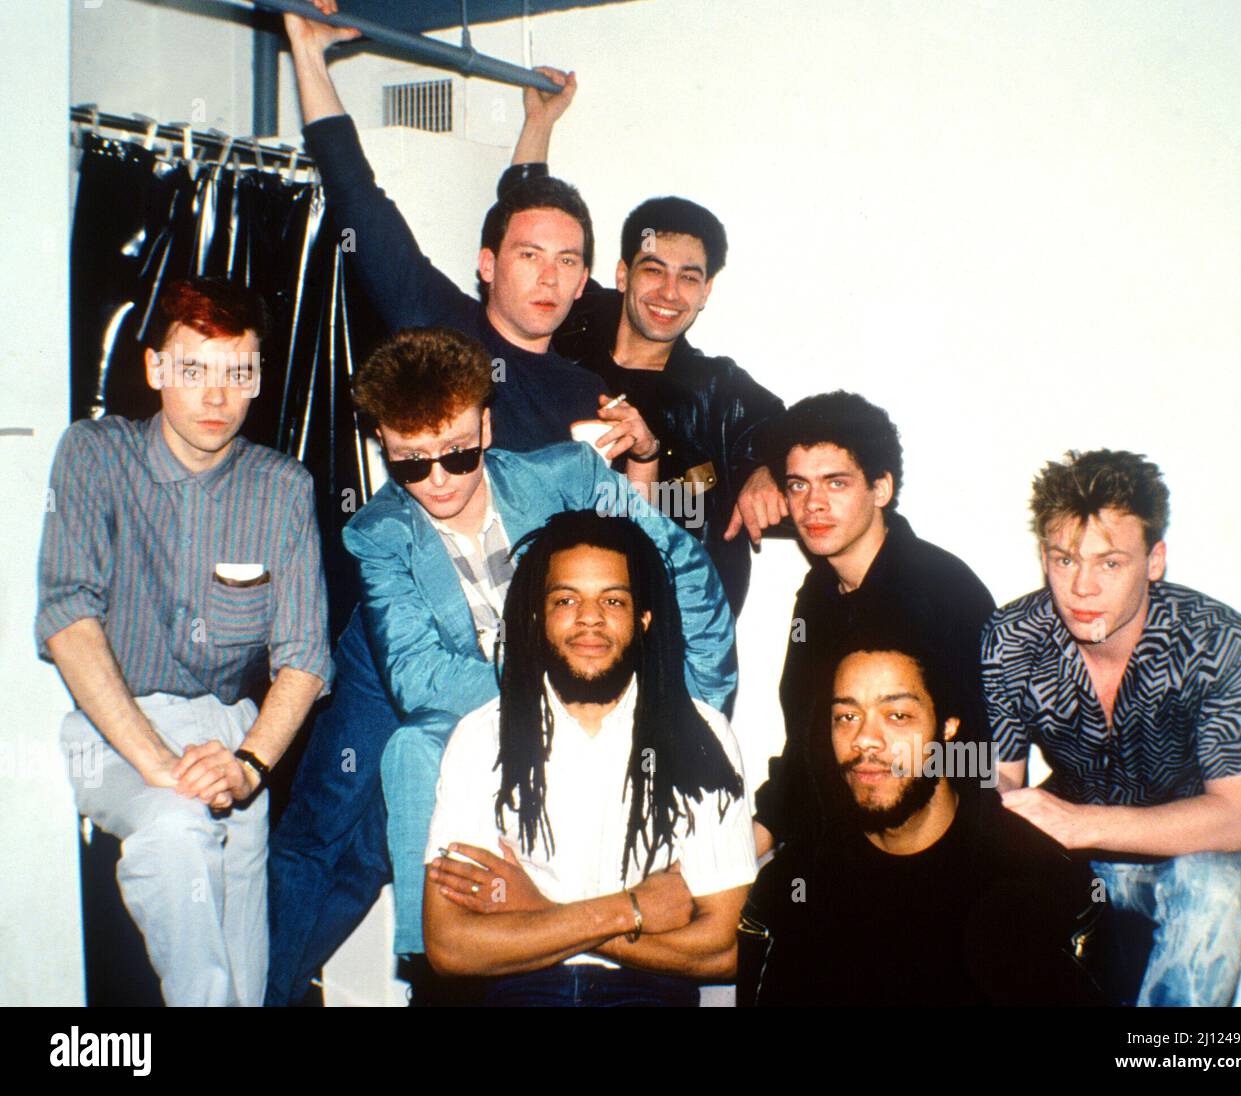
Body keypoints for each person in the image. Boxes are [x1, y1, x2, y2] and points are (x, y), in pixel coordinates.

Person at [267, 327, 735, 1005]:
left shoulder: (567, 477)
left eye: (456, 456)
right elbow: (420, 678)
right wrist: (551, 689)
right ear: (384, 450)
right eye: (410, 463)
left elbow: (680, 565)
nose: (435, 481)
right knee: (341, 816)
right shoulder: (377, 532)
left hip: (529, 680)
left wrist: (695, 701)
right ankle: (423, 967)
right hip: (409, 674)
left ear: (486, 425)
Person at [37, 276, 332, 1006]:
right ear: (156, 369)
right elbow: (69, 622)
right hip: (116, 731)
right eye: (194, 369)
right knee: (175, 831)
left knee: (245, 969)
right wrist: (161, 765)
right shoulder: (92, 455)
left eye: (238, 372)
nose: (215, 396)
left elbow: (301, 660)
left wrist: (248, 768)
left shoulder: (283, 487)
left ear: (259, 377)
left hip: (233, 738)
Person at [281, 0, 658, 475]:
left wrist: (646, 454)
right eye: (529, 256)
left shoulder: (587, 391)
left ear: (582, 281)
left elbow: (622, 525)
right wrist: (306, 49)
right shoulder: (443, 328)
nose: (548, 279)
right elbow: (357, 197)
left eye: (566, 262)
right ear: (487, 265)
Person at [424, 511, 755, 1006]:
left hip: (648, 993)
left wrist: (540, 911)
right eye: (566, 600)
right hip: (522, 989)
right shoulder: (480, 738)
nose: (590, 618)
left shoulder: (702, 735)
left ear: (643, 620)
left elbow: (724, 952)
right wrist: (628, 911)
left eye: (613, 600)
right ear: (537, 618)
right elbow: (450, 947)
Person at [982, 449, 1241, 1007]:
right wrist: (942, 770)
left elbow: (1238, 818)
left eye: (1110, 563)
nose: (1082, 587)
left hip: (1192, 855)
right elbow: (998, 775)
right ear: (1044, 556)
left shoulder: (1218, 640)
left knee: (1215, 890)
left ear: (1154, 560)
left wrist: (1080, 824)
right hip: (1074, 856)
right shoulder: (1012, 636)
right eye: (1065, 560)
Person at [499, 69, 788, 613]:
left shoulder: (717, 389)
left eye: (690, 277)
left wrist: (765, 473)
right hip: (552, 601)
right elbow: (524, 222)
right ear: (623, 273)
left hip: (672, 620)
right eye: (653, 270)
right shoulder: (569, 325)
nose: (669, 293)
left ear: (706, 292)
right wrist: (539, 122)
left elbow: (796, 431)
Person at [737, 632, 1102, 1006]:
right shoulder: (792, 889)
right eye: (846, 716)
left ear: (947, 727)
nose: (864, 739)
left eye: (897, 716)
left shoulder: (1042, 880)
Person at [750, 391, 994, 855]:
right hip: (833, 836)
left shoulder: (940, 593)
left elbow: (974, 760)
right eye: (798, 485)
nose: (813, 504)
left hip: (928, 848)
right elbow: (808, 742)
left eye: (835, 483)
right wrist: (746, 848)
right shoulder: (819, 594)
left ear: (880, 489)